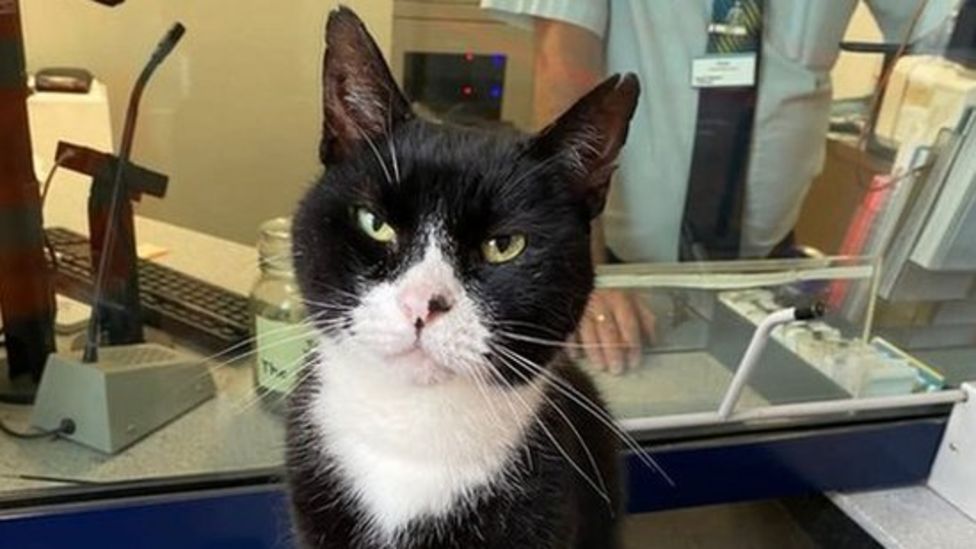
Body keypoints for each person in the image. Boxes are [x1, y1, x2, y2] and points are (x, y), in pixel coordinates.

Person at [482, 0, 954, 373]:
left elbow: (939, 30)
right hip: (621, 279)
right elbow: (566, 68)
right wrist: (581, 271)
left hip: (771, 271)